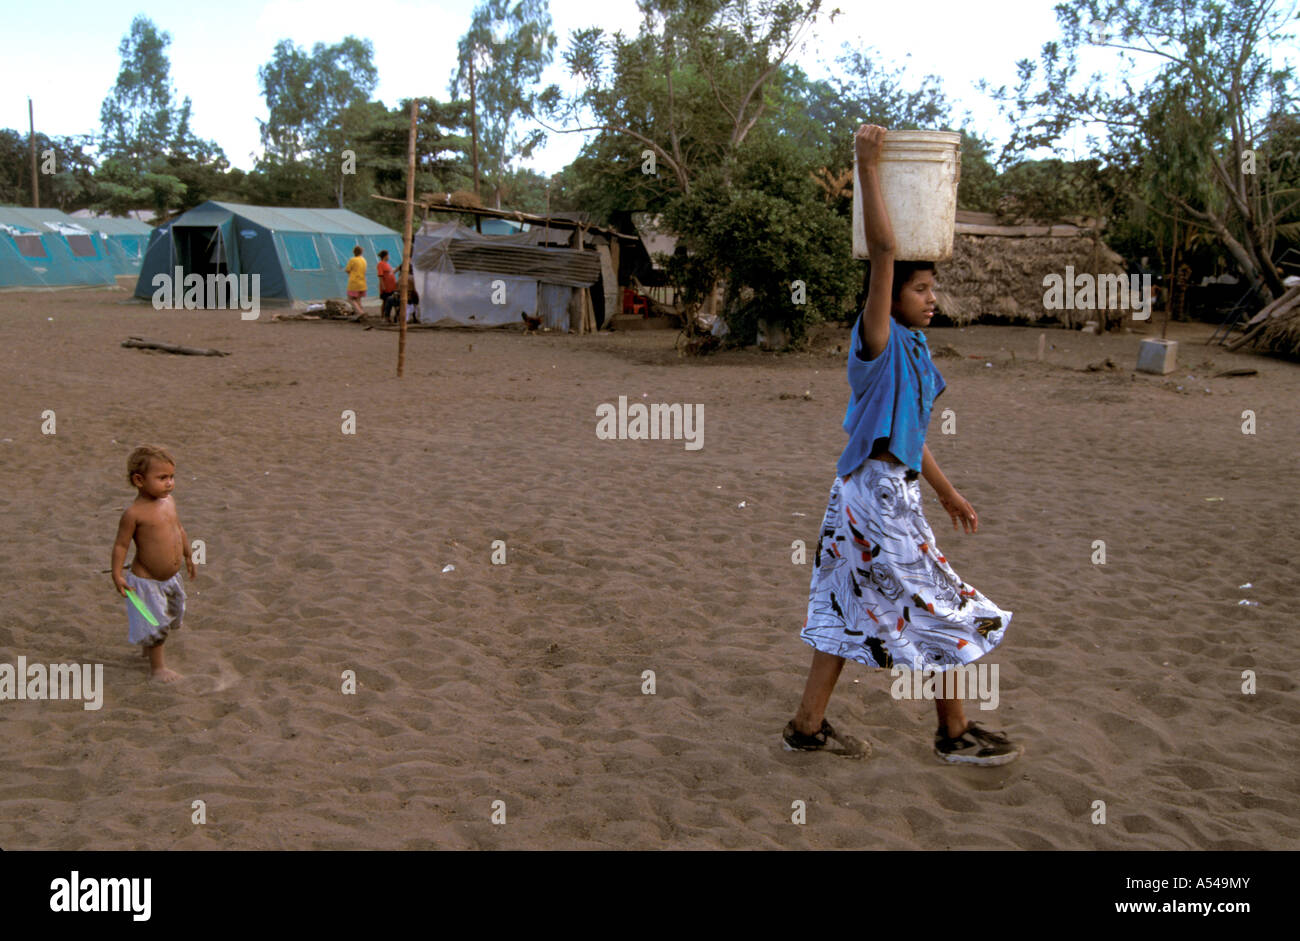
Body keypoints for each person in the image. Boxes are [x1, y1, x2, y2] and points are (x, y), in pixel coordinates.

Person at [782, 125, 1021, 766]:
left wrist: (947, 493)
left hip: (876, 489)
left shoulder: (915, 352)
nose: (931, 298)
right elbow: (885, 248)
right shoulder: (878, 341)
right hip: (874, 497)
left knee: (846, 603)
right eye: (921, 289)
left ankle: (807, 727)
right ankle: (953, 734)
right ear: (891, 296)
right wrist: (866, 164)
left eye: (932, 290)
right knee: (938, 600)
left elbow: (910, 440)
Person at [111, 446, 195, 683]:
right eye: (162, 478)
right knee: (156, 622)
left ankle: (147, 649)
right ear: (139, 480)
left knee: (175, 612)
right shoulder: (134, 514)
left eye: (171, 477)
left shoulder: (169, 502)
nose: (169, 483)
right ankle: (158, 668)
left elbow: (178, 530)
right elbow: (121, 546)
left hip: (170, 578)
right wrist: (117, 575)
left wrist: (188, 555)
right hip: (147, 582)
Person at [343, 245, 367, 316]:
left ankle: (360, 312)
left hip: (354, 282)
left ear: (354, 252)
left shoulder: (352, 260)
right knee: (358, 299)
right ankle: (360, 311)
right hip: (362, 282)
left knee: (350, 298)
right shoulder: (363, 260)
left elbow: (347, 270)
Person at [377, 249, 398, 323]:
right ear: (385, 256)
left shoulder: (387, 264)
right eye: (388, 255)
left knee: (391, 301)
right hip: (386, 286)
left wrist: (398, 268)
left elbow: (391, 273)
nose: (389, 257)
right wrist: (383, 286)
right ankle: (383, 316)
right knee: (385, 301)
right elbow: (380, 276)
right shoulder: (381, 264)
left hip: (392, 286)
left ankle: (389, 316)